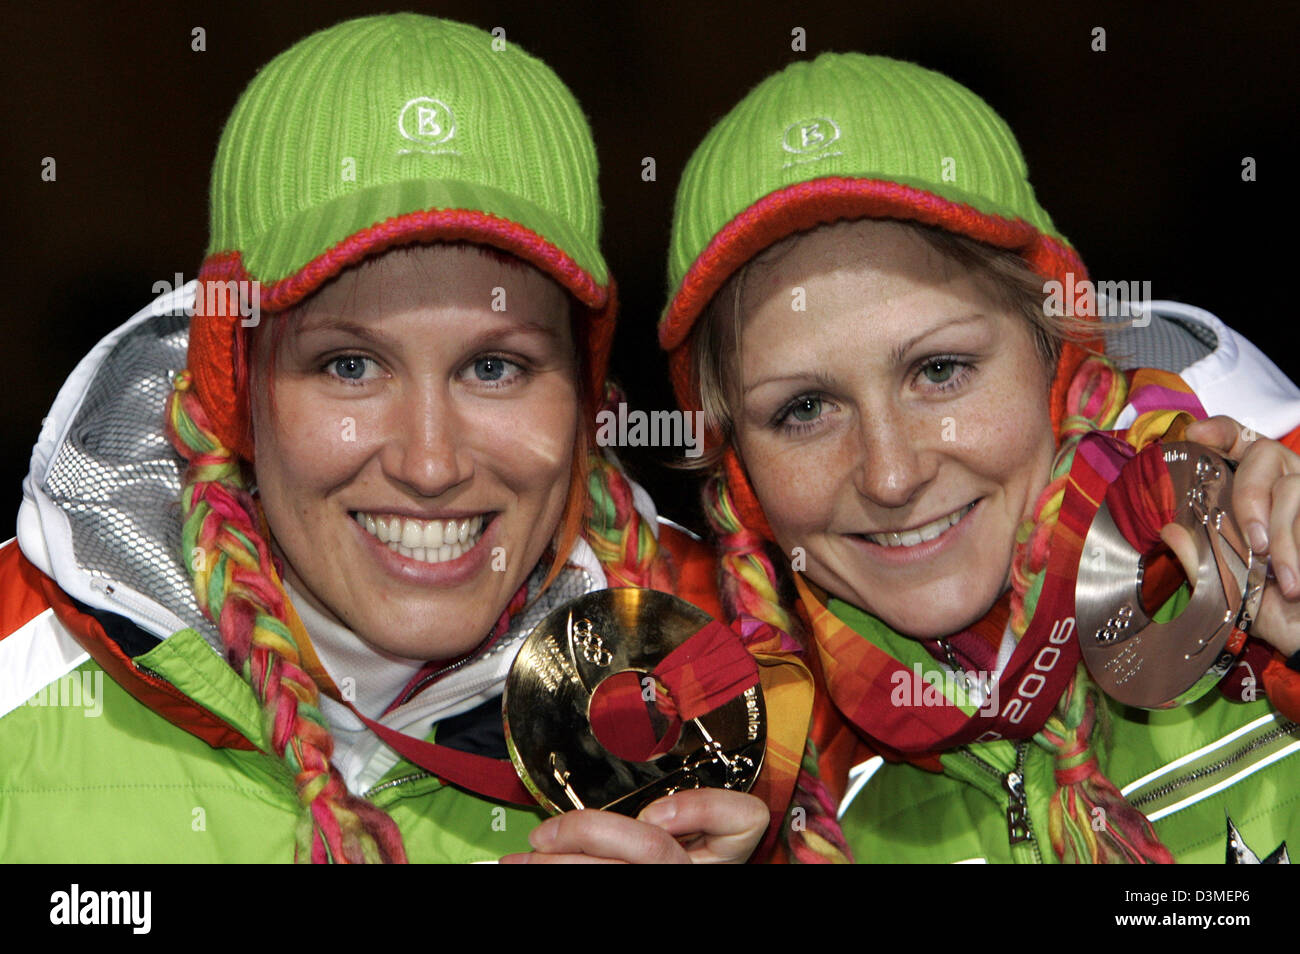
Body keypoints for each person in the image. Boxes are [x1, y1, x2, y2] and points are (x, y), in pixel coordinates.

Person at [0, 13, 772, 864]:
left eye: (494, 369)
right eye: (349, 366)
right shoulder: (17, 667)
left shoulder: (737, 676)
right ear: (233, 390)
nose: (430, 464)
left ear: (585, 398)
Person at [659, 52, 1300, 863]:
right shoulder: (747, 793)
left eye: (939, 371)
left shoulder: (1268, 575)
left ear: (1059, 356)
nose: (892, 475)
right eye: (804, 409)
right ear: (741, 480)